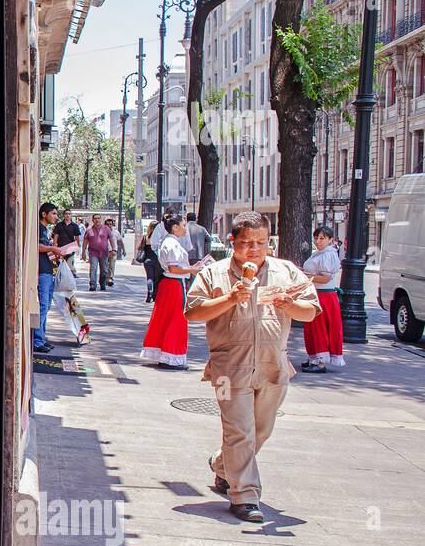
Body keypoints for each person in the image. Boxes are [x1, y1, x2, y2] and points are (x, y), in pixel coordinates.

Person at [185, 211, 320, 522]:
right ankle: (245, 496)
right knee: (239, 430)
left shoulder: (286, 272)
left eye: (261, 243)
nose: (255, 250)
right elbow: (192, 313)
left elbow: (311, 311)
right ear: (233, 242)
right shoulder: (214, 274)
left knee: (261, 429)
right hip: (229, 366)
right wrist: (231, 298)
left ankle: (222, 466)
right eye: (247, 243)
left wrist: (290, 304)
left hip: (273, 365)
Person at [141, 212, 205, 369]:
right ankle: (171, 355)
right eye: (183, 226)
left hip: (170, 284)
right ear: (175, 227)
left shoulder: (170, 242)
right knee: (176, 319)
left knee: (166, 318)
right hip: (173, 284)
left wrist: (190, 268)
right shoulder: (172, 243)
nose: (185, 229)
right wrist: (191, 270)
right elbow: (174, 268)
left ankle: (165, 353)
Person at [300, 224, 345, 372]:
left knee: (319, 328)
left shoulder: (327, 254)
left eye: (322, 238)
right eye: (316, 238)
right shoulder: (320, 253)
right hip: (317, 294)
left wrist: (304, 275)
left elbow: (325, 279)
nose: (318, 241)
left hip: (324, 296)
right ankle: (314, 358)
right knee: (312, 328)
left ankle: (320, 362)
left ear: (330, 240)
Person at [35, 202, 66, 353]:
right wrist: (53, 248)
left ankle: (41, 337)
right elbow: (37, 247)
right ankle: (37, 340)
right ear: (44, 214)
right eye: (53, 213)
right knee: (42, 306)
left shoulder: (45, 230)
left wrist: (55, 253)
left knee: (46, 306)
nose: (55, 217)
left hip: (47, 270)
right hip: (41, 272)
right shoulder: (39, 229)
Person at [80, 214, 112, 292]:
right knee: (93, 268)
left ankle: (102, 283)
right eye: (95, 218)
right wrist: (83, 252)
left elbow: (111, 239)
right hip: (93, 252)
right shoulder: (89, 230)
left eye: (98, 218)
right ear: (92, 220)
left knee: (104, 270)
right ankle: (92, 285)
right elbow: (85, 242)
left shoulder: (106, 229)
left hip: (104, 253)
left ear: (100, 219)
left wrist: (113, 249)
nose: (97, 220)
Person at [133, 220, 160, 302]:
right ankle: (155, 295)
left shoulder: (146, 237)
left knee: (149, 278)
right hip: (158, 261)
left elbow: (139, 247)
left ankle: (149, 293)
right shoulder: (160, 238)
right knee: (157, 278)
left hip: (147, 260)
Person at [104, 218, 123, 290]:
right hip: (104, 252)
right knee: (104, 266)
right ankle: (104, 278)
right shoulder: (102, 232)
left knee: (112, 266)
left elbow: (120, 241)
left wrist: (123, 250)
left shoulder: (116, 232)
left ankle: (110, 278)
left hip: (113, 251)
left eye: (110, 224)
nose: (109, 225)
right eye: (107, 224)